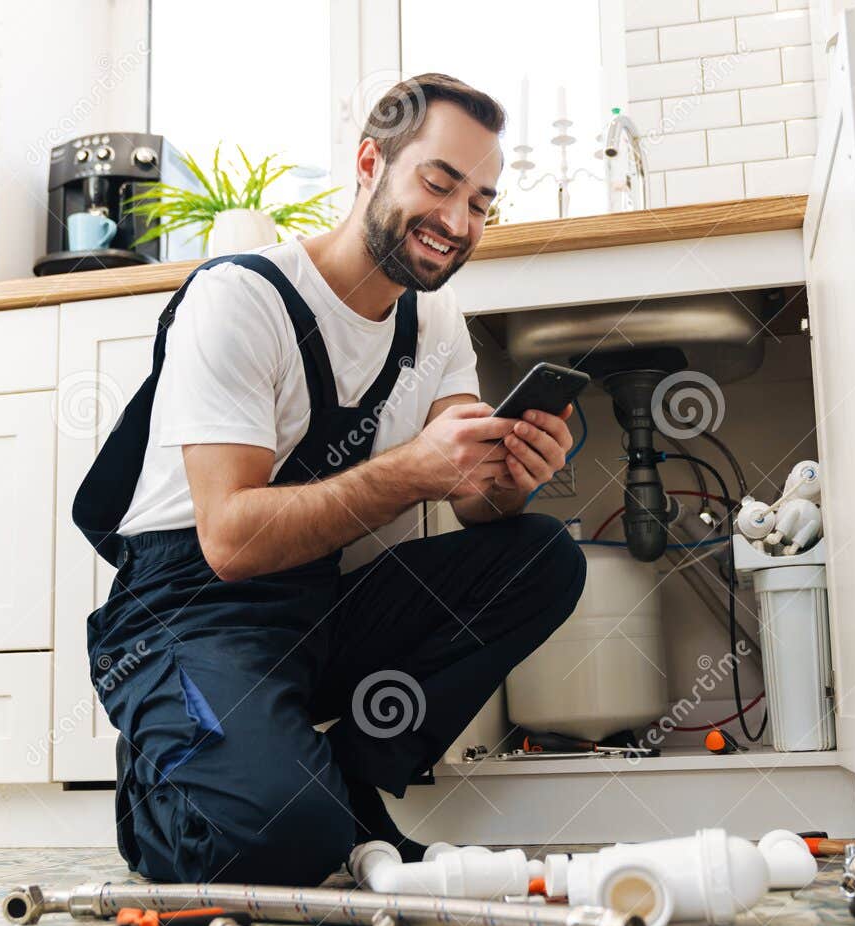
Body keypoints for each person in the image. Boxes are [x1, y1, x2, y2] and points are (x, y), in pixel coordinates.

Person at [71, 74, 586, 885]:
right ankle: (168, 784)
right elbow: (232, 539)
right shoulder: (242, 298)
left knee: (543, 555)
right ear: (370, 162)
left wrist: (513, 475)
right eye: (439, 183)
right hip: (186, 612)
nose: (457, 222)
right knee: (284, 842)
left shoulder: (434, 318)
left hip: (316, 605)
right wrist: (412, 469)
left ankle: (343, 774)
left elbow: (475, 500)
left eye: (481, 203)